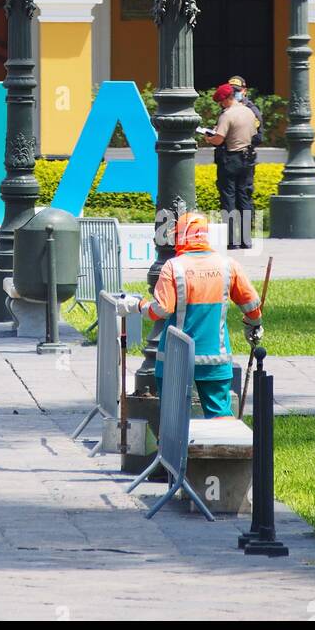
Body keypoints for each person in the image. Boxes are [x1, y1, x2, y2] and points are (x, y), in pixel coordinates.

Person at [116, 211, 263, 418]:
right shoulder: (228, 265)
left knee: (172, 416)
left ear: (181, 236)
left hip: (176, 358)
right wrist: (253, 325)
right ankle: (221, 449)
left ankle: (175, 450)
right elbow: (251, 304)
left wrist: (137, 305)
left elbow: (161, 310)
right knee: (220, 414)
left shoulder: (173, 267)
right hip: (215, 357)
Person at [204, 82, 258, 250]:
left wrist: (208, 138)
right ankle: (246, 239)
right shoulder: (249, 112)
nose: (221, 104)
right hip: (248, 159)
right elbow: (254, 134)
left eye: (221, 101)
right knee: (245, 197)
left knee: (228, 198)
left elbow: (219, 139)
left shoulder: (227, 115)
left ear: (227, 98)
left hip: (230, 159)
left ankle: (232, 240)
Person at [227, 74, 261, 203]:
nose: (234, 93)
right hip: (228, 159)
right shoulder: (226, 108)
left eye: (237, 91)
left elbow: (258, 137)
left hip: (244, 157)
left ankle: (246, 224)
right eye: (232, 91)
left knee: (244, 196)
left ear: (244, 91)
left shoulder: (251, 110)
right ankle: (230, 224)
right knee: (228, 197)